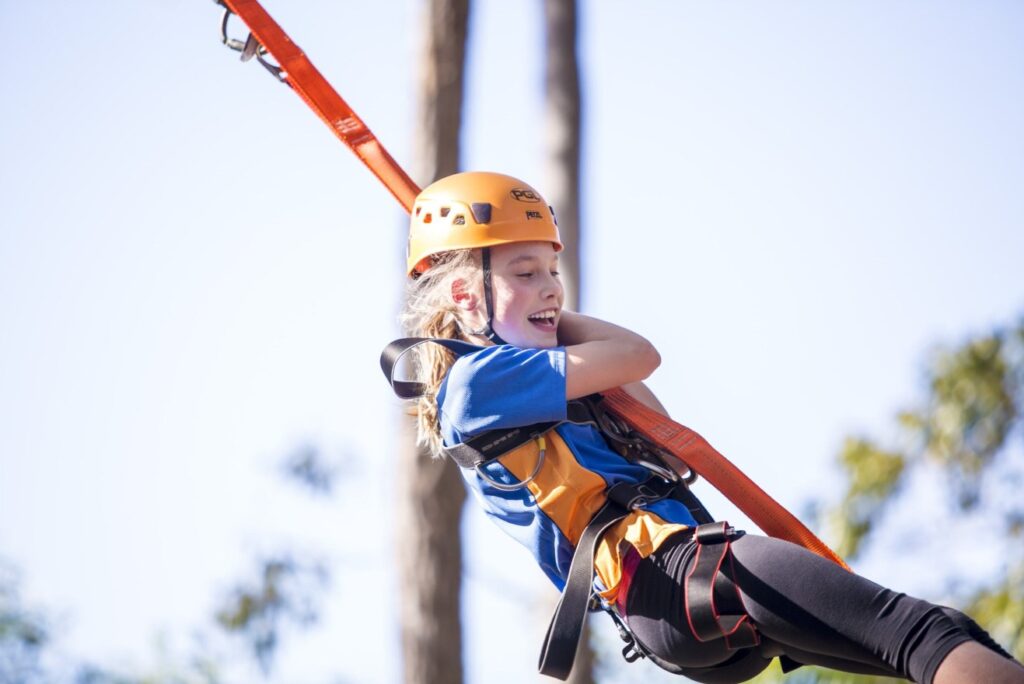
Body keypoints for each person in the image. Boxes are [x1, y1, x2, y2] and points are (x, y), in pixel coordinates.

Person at [390, 171, 1024, 683]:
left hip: (681, 588)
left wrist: (541, 303)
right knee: (919, 636)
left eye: (554, 273)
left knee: (942, 638)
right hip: (668, 570)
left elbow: (656, 419)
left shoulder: (537, 383)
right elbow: (640, 353)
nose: (551, 289)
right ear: (464, 299)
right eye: (525, 274)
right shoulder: (479, 385)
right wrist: (561, 318)